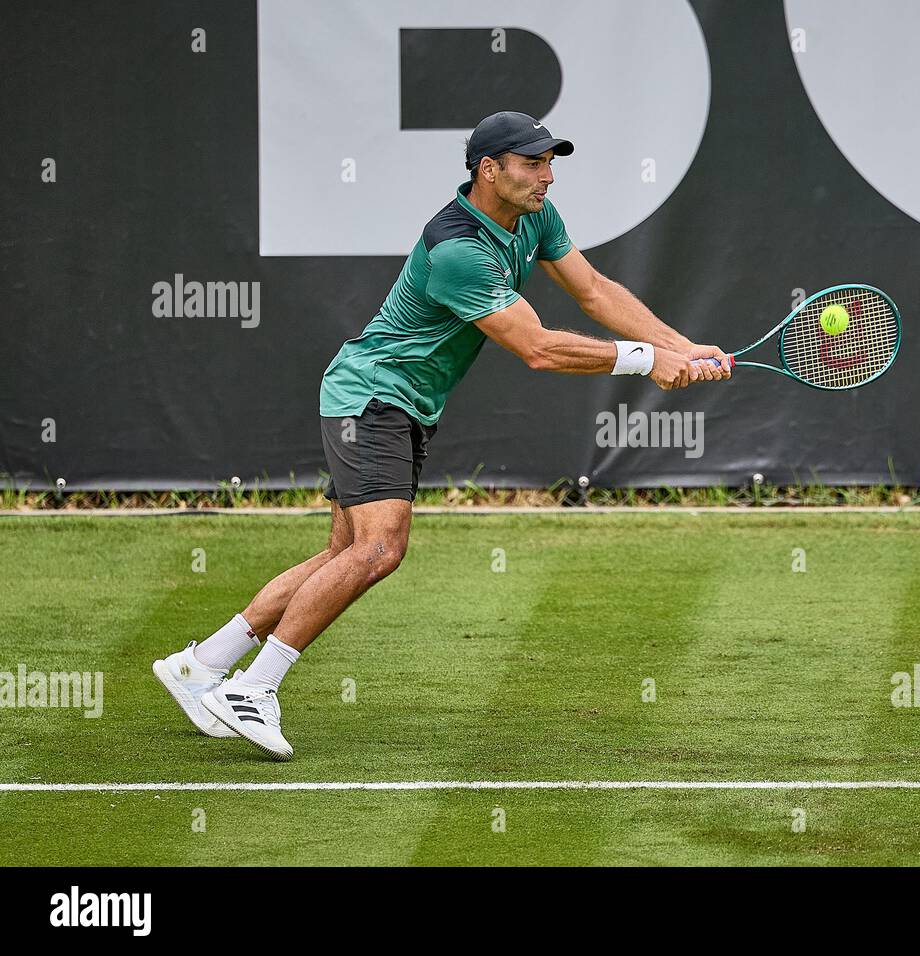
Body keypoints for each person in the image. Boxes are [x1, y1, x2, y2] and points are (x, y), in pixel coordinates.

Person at [152, 111, 730, 759]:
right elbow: (536, 348)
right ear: (490, 170)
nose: (548, 175)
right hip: (372, 397)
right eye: (534, 162)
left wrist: (680, 345)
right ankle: (253, 690)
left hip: (398, 402)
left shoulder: (535, 216)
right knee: (379, 550)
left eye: (550, 162)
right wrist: (646, 361)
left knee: (342, 552)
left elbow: (594, 292)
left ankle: (200, 666)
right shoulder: (458, 248)